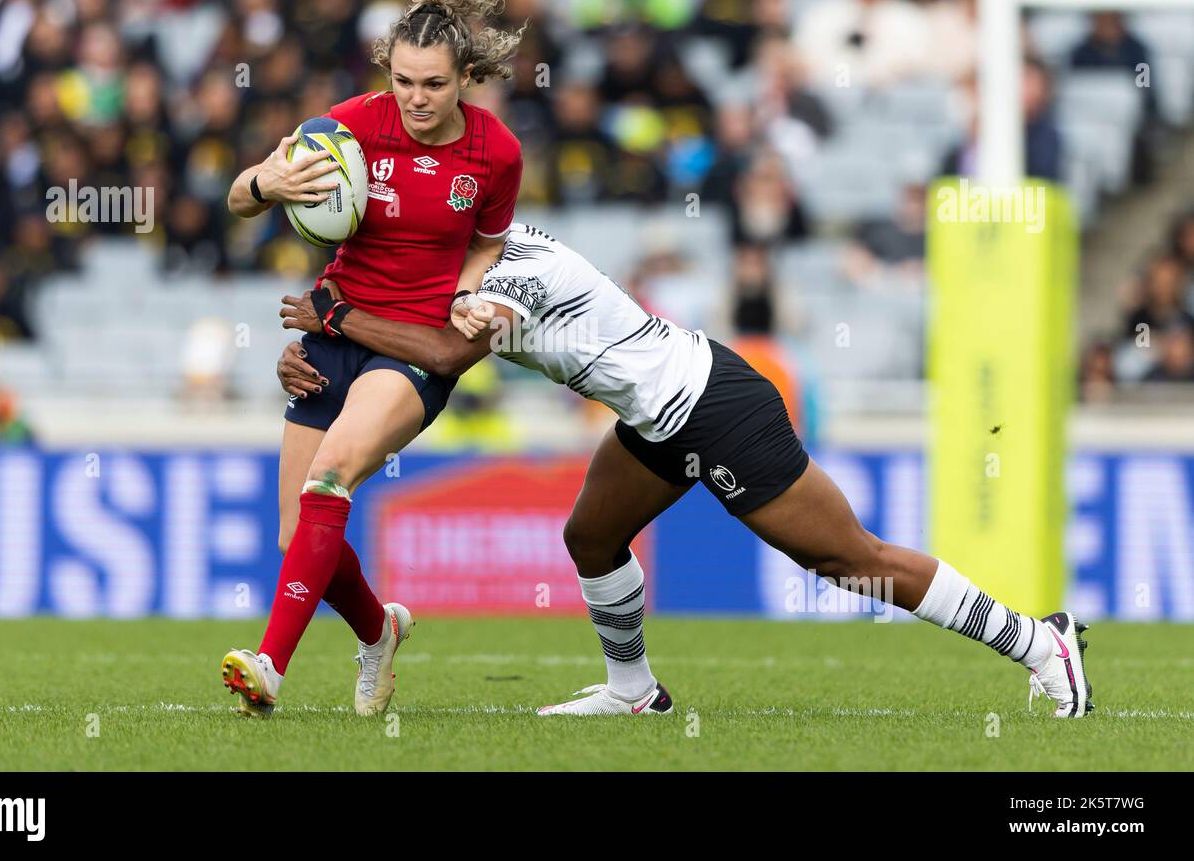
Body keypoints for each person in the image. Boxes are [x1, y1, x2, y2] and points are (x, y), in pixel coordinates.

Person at [278, 222, 1095, 718]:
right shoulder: (460, 261)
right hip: (658, 412)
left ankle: (1039, 643)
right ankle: (633, 691)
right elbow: (396, 329)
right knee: (591, 536)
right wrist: (313, 352)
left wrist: (339, 316)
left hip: (714, 407)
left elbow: (452, 351)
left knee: (852, 561)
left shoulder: (511, 271)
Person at [221, 0, 525, 718]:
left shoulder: (496, 153)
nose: (417, 99)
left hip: (414, 344)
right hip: (335, 326)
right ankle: (379, 630)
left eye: (434, 84)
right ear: (388, 70)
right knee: (298, 531)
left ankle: (270, 668)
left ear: (466, 78)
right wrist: (270, 185)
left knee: (330, 480)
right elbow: (237, 195)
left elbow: (489, 244)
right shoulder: (351, 121)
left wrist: (467, 293)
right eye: (405, 81)